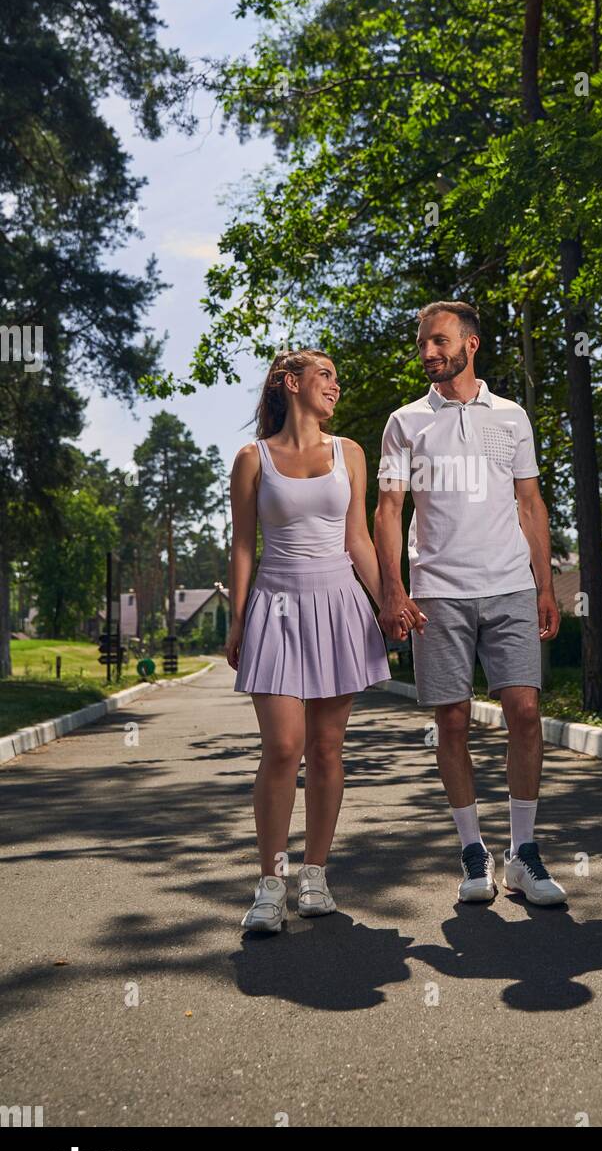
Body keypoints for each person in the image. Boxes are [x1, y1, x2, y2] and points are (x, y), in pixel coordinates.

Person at [375, 301, 567, 906]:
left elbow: (530, 503)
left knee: (525, 712)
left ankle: (525, 853)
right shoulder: (405, 422)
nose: (428, 353)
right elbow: (388, 510)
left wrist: (545, 584)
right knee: (452, 721)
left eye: (438, 342)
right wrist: (393, 588)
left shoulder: (510, 418)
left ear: (470, 344)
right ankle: (472, 851)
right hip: (437, 591)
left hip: (509, 583)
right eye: (423, 344)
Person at [227, 348, 390, 931]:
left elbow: (358, 540)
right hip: (275, 607)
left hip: (338, 604)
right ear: (289, 382)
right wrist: (238, 617)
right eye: (325, 375)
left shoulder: (349, 453)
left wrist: (390, 599)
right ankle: (271, 883)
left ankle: (315, 874)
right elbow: (243, 545)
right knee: (282, 747)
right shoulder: (253, 459)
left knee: (326, 749)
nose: (335, 386)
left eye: (337, 378)